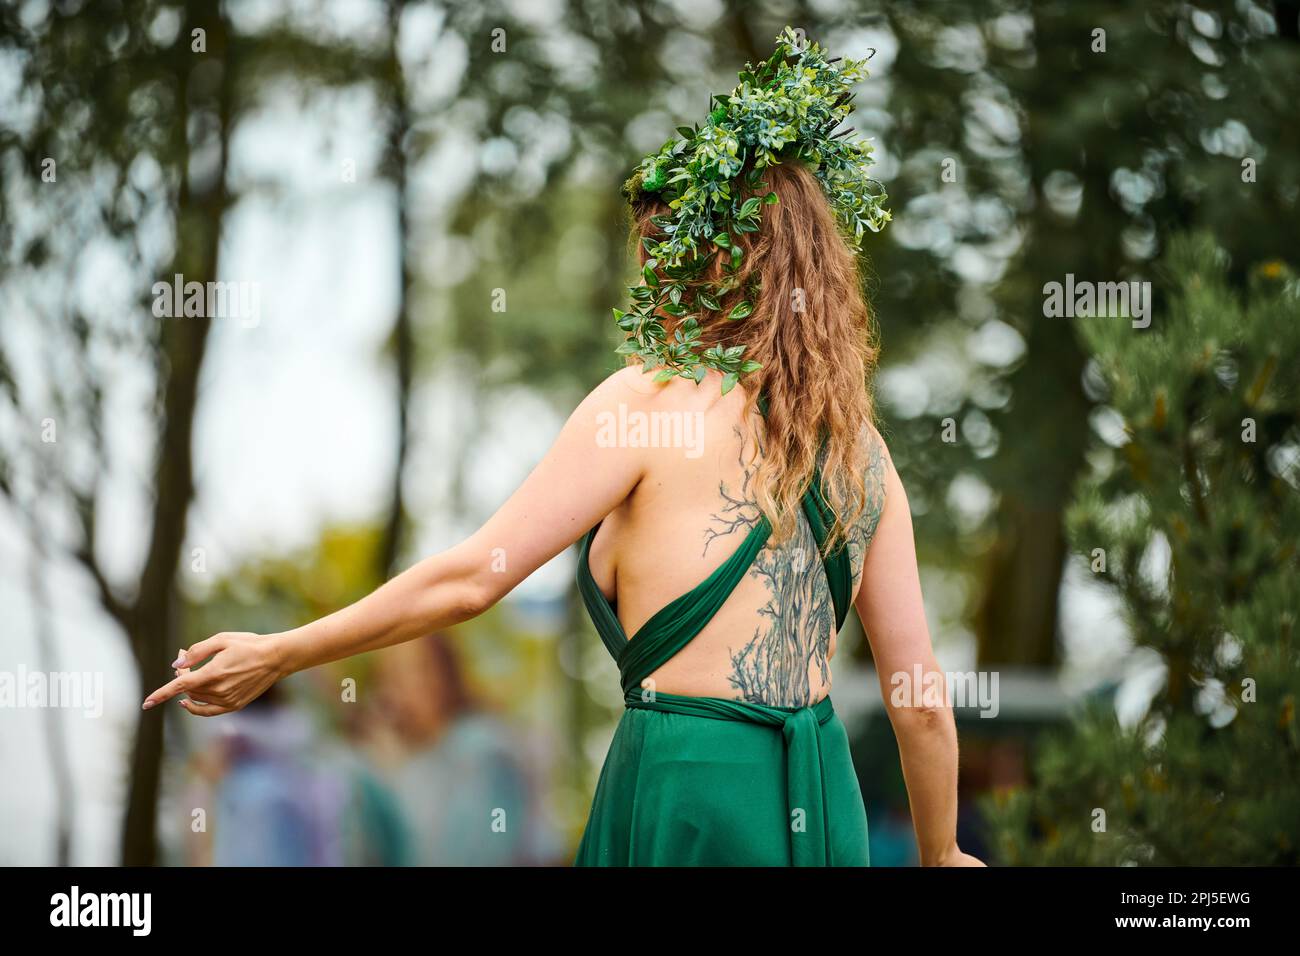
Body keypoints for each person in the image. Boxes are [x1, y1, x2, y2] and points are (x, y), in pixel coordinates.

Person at [143, 29, 982, 868]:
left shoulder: (646, 402)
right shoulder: (862, 454)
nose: (657, 285)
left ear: (718, 259)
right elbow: (918, 701)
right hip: (823, 802)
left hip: (689, 791)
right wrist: (942, 855)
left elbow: (476, 577)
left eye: (669, 257)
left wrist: (281, 651)